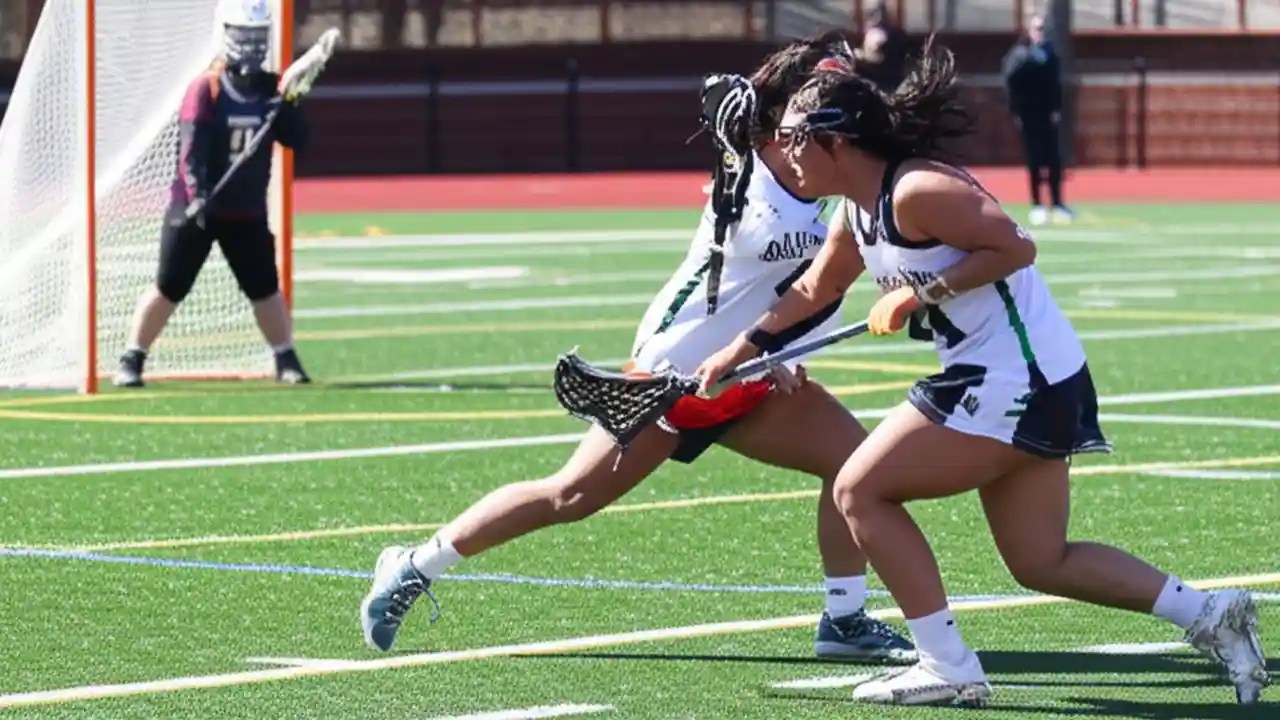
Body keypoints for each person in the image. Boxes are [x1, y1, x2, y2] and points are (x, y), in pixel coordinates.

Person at [695, 40, 1268, 706]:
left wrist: (920, 293)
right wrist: (739, 350)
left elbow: (1015, 246)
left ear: (837, 140)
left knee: (860, 489)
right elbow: (815, 290)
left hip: (1014, 378)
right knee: (1039, 561)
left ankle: (947, 664)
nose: (783, 148)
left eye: (794, 134)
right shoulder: (856, 212)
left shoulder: (918, 190)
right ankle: (1210, 613)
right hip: (1025, 377)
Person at [358, 33, 916, 665]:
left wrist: (785, 354)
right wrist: (740, 112)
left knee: (855, 466)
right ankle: (414, 565)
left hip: (747, 375)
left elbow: (812, 290)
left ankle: (843, 620)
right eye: (816, 107)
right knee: (568, 496)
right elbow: (721, 103)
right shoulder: (747, 168)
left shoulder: (834, 188)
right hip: (674, 374)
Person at [114, 0, 311, 388]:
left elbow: (298, 139)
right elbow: (191, 149)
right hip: (196, 209)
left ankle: (286, 358)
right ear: (226, 36)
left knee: (265, 288)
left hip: (246, 211)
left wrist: (289, 105)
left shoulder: (272, 89)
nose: (252, 45)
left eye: (258, 37)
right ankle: (132, 358)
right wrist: (198, 195)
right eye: (244, 36)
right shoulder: (207, 88)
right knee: (169, 286)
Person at [1002, 14, 1071, 226]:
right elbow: (1011, 79)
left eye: (1042, 28)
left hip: (1047, 114)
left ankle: (1058, 203)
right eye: (1036, 28)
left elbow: (1056, 83)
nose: (1040, 32)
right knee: (1034, 160)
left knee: (1054, 160)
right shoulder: (1019, 54)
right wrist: (1016, 110)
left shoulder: (1050, 54)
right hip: (1028, 115)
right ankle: (1037, 204)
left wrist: (1057, 108)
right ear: (1028, 30)